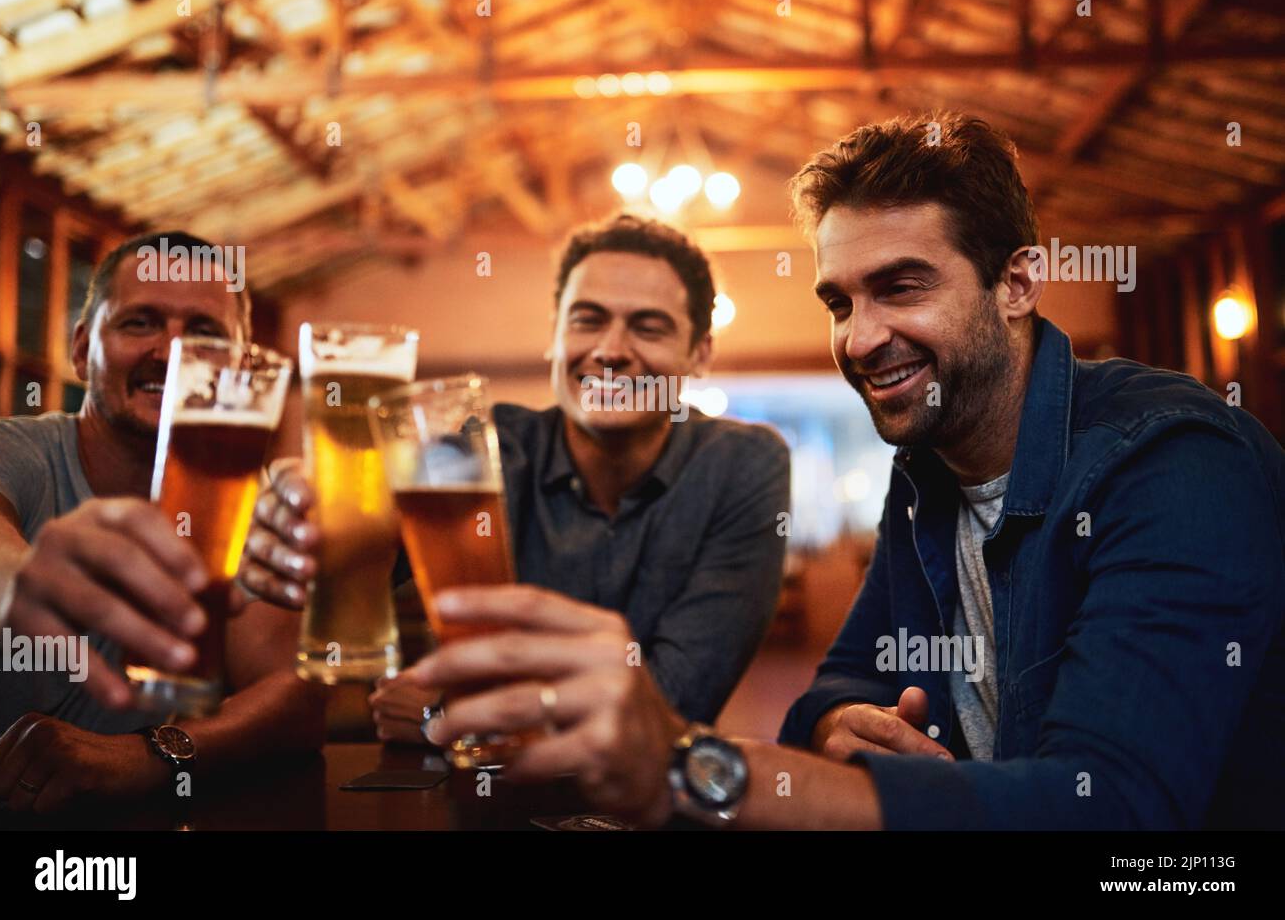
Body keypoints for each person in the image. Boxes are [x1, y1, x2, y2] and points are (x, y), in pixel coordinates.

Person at [397, 114, 1285, 830]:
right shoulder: (926, 470)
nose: (858, 339)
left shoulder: (1175, 461)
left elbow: (1113, 808)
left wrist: (697, 768)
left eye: (902, 286)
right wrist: (833, 722)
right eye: (839, 301)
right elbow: (830, 690)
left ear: (1017, 283)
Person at [249, 214, 792, 730]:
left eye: (648, 328)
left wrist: (456, 718)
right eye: (588, 320)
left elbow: (678, 698)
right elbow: (356, 559)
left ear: (700, 354)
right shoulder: (482, 447)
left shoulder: (741, 463)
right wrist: (300, 513)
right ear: (554, 337)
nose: (610, 351)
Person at [0, 231, 324, 815]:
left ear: (243, 366)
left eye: (203, 332)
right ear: (81, 348)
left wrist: (148, 755)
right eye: (139, 322)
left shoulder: (241, 496)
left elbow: (293, 700)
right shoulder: (13, 450)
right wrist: (19, 577)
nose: (172, 354)